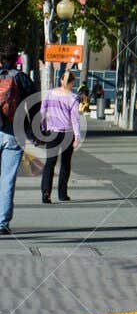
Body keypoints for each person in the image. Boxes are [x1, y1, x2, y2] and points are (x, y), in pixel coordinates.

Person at [0, 40, 35, 235]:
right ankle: (2, 223)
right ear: (16, 59)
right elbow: (35, 107)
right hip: (14, 133)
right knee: (7, 179)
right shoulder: (22, 79)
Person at [38, 70, 84, 204]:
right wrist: (77, 136)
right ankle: (62, 194)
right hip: (67, 134)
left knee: (49, 163)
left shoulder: (50, 93)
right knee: (65, 164)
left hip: (52, 133)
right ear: (71, 83)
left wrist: (42, 128)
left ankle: (46, 193)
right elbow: (75, 118)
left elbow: (42, 111)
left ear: (61, 80)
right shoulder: (73, 97)